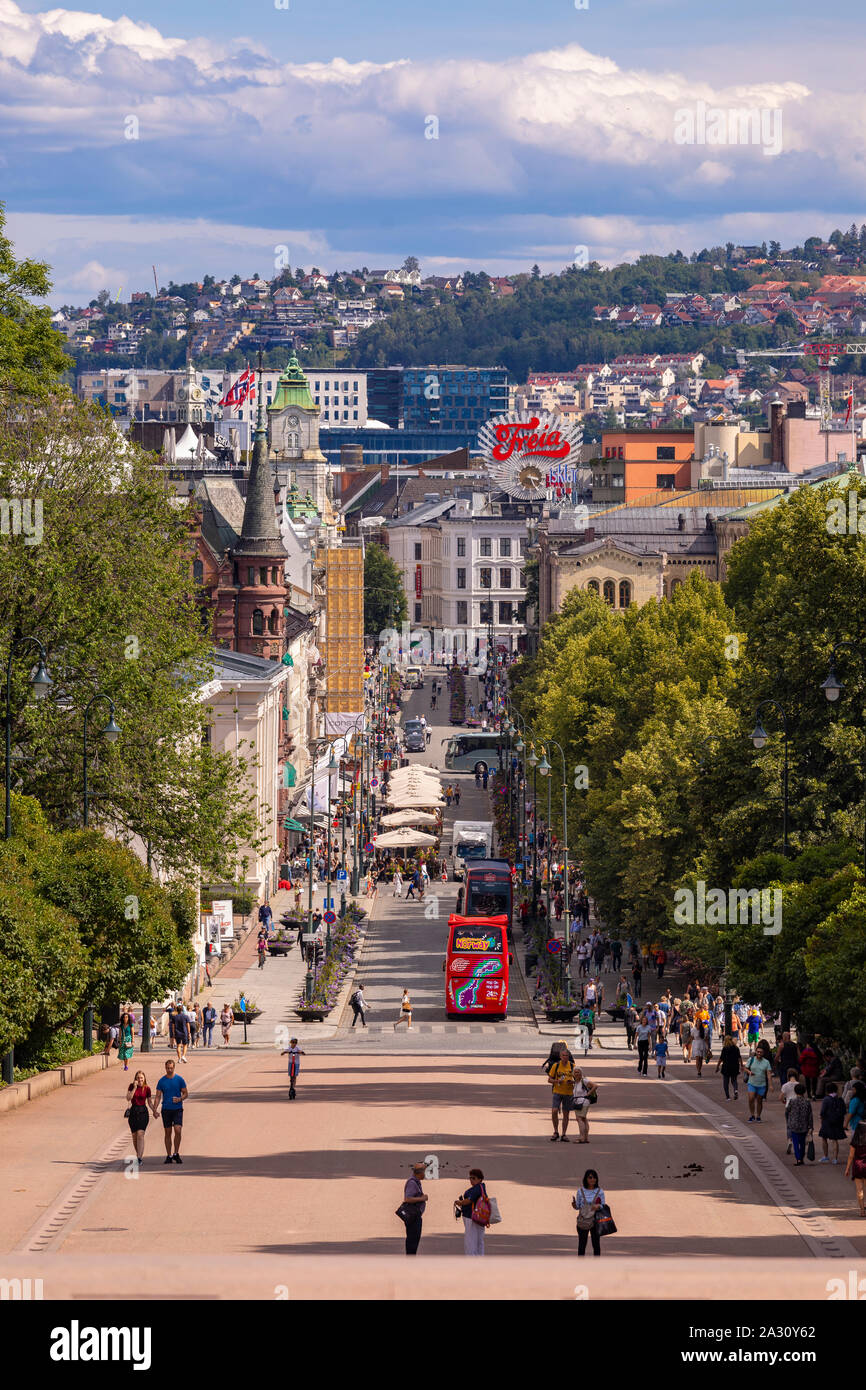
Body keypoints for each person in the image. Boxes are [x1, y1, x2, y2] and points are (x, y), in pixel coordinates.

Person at [154, 1059, 187, 1164]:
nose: (169, 1070)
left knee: (178, 1130)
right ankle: (168, 1155)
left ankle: (176, 1153)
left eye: (171, 1068)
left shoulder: (179, 1079)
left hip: (177, 1109)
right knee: (168, 1132)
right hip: (166, 1109)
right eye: (168, 1068)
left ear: (174, 1068)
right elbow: (158, 1096)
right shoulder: (161, 1081)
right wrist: (155, 1109)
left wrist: (179, 1099)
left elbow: (186, 1093)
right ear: (165, 1068)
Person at [454, 1168, 488, 1256]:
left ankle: (471, 1262)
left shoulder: (477, 1189)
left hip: (472, 1217)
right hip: (480, 1218)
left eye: (474, 1178)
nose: (471, 1180)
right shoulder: (481, 1187)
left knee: (470, 1241)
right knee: (478, 1240)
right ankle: (479, 1259)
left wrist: (459, 1202)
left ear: (479, 1179)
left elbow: (469, 1201)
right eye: (470, 1178)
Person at [126, 1069, 156, 1165]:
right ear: (135, 1079)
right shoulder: (131, 1086)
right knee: (134, 1136)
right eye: (138, 1078)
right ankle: (138, 1154)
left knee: (140, 1134)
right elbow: (128, 1098)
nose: (140, 1080)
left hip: (143, 1112)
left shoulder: (147, 1088)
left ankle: (139, 1158)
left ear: (144, 1079)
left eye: (142, 1078)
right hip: (133, 1112)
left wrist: (154, 1111)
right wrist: (134, 1087)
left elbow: (150, 1102)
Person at [572, 1168, 605, 1257]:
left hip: (595, 1221)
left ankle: (596, 1266)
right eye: (590, 1177)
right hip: (583, 1221)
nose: (592, 1179)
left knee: (596, 1245)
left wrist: (598, 1206)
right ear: (586, 1179)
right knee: (582, 1245)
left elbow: (603, 1205)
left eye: (594, 1178)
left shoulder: (600, 1191)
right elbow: (578, 1206)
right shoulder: (580, 1191)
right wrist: (574, 1205)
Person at [548, 1046, 575, 1141]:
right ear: (560, 1056)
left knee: (566, 1114)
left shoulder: (572, 1066)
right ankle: (556, 1132)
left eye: (567, 1056)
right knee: (554, 1111)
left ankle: (564, 1134)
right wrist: (557, 1081)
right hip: (557, 1092)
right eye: (563, 1055)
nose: (565, 1057)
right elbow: (549, 1079)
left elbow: (578, 1079)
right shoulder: (556, 1066)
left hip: (568, 1093)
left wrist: (572, 1082)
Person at [401, 1163, 428, 1255]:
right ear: (419, 1173)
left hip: (415, 1216)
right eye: (424, 1172)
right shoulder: (412, 1183)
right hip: (413, 1217)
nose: (425, 1174)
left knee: (414, 1240)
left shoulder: (415, 1182)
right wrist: (422, 1198)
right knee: (412, 1240)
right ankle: (410, 1261)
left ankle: (411, 1259)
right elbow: (407, 1198)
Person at [744, 1040, 774, 1120]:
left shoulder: (766, 1062)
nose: (759, 1053)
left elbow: (769, 1074)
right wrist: (749, 1072)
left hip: (762, 1084)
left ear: (763, 1053)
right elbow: (745, 1068)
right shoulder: (751, 1060)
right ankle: (752, 1115)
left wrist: (770, 1085)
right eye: (757, 1052)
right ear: (756, 1052)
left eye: (761, 1052)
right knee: (751, 1099)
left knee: (759, 1100)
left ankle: (758, 1116)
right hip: (752, 1083)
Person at [785, 1083, 814, 1165]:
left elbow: (787, 1112)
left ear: (795, 1091)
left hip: (794, 1125)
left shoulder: (792, 1101)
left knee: (795, 1143)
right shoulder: (807, 1102)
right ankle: (801, 1158)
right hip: (804, 1125)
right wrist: (811, 1126)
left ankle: (798, 1159)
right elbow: (810, 1115)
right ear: (804, 1092)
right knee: (802, 1143)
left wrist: (788, 1121)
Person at [819, 1082, 847, 1164]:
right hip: (837, 1122)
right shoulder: (840, 1099)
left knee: (824, 1138)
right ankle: (835, 1158)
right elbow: (844, 1111)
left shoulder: (826, 1099)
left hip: (827, 1121)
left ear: (827, 1090)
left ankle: (825, 1156)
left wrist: (821, 1119)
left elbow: (823, 1111)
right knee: (835, 1140)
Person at [844, 1127, 866, 1218]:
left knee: (859, 1190)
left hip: (858, 1167)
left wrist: (847, 1168)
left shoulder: (855, 1142)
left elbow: (850, 1156)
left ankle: (862, 1211)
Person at [571, 1067, 597, 1143]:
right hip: (578, 1102)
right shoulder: (576, 1082)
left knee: (579, 1119)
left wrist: (589, 1093)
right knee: (583, 1119)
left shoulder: (584, 1081)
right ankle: (585, 1138)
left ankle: (581, 1137)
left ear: (581, 1073)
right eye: (575, 1072)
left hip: (584, 1101)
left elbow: (595, 1086)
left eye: (578, 1072)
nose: (576, 1074)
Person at [715, 1035, 742, 1100]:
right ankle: (735, 1090)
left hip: (726, 1066)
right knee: (734, 1080)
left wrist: (717, 1066)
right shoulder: (736, 1048)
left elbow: (721, 1059)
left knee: (726, 1082)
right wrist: (742, 1065)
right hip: (735, 1066)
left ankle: (728, 1097)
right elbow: (739, 1057)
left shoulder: (725, 1048)